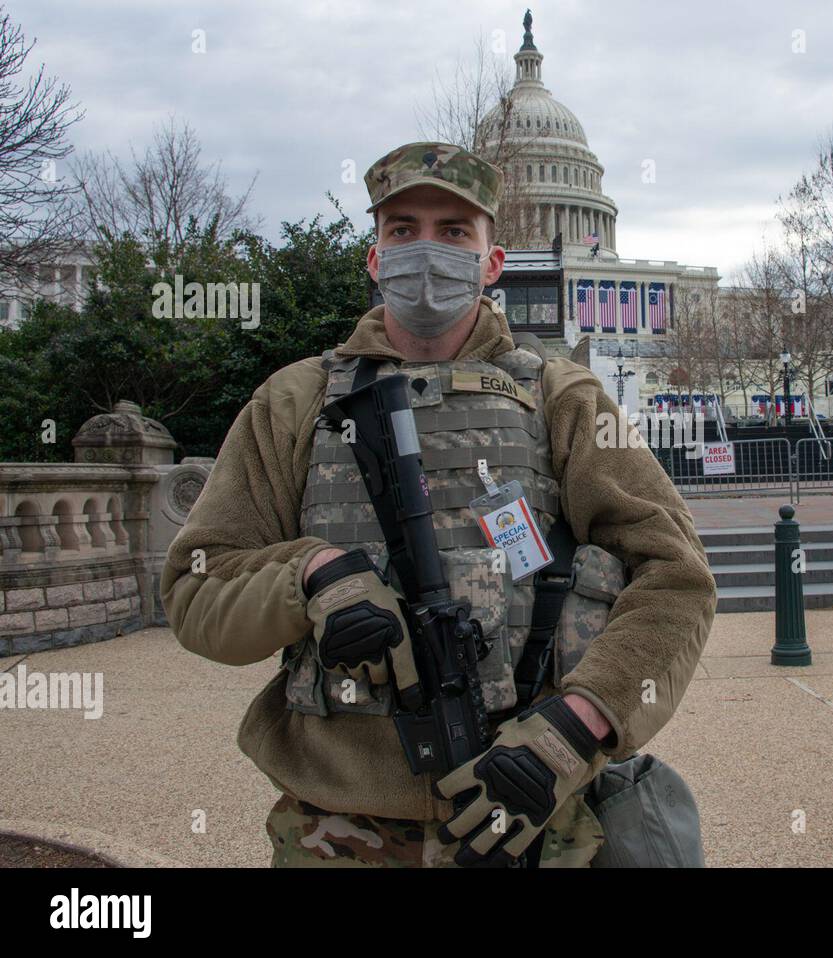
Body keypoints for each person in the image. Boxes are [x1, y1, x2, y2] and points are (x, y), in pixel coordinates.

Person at [161, 141, 716, 867]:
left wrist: (574, 729)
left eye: (454, 231)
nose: (427, 250)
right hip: (339, 835)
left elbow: (675, 576)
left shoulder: (561, 397)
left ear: (492, 262)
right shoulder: (293, 401)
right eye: (403, 229)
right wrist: (309, 576)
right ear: (374, 258)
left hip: (532, 819)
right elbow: (197, 588)